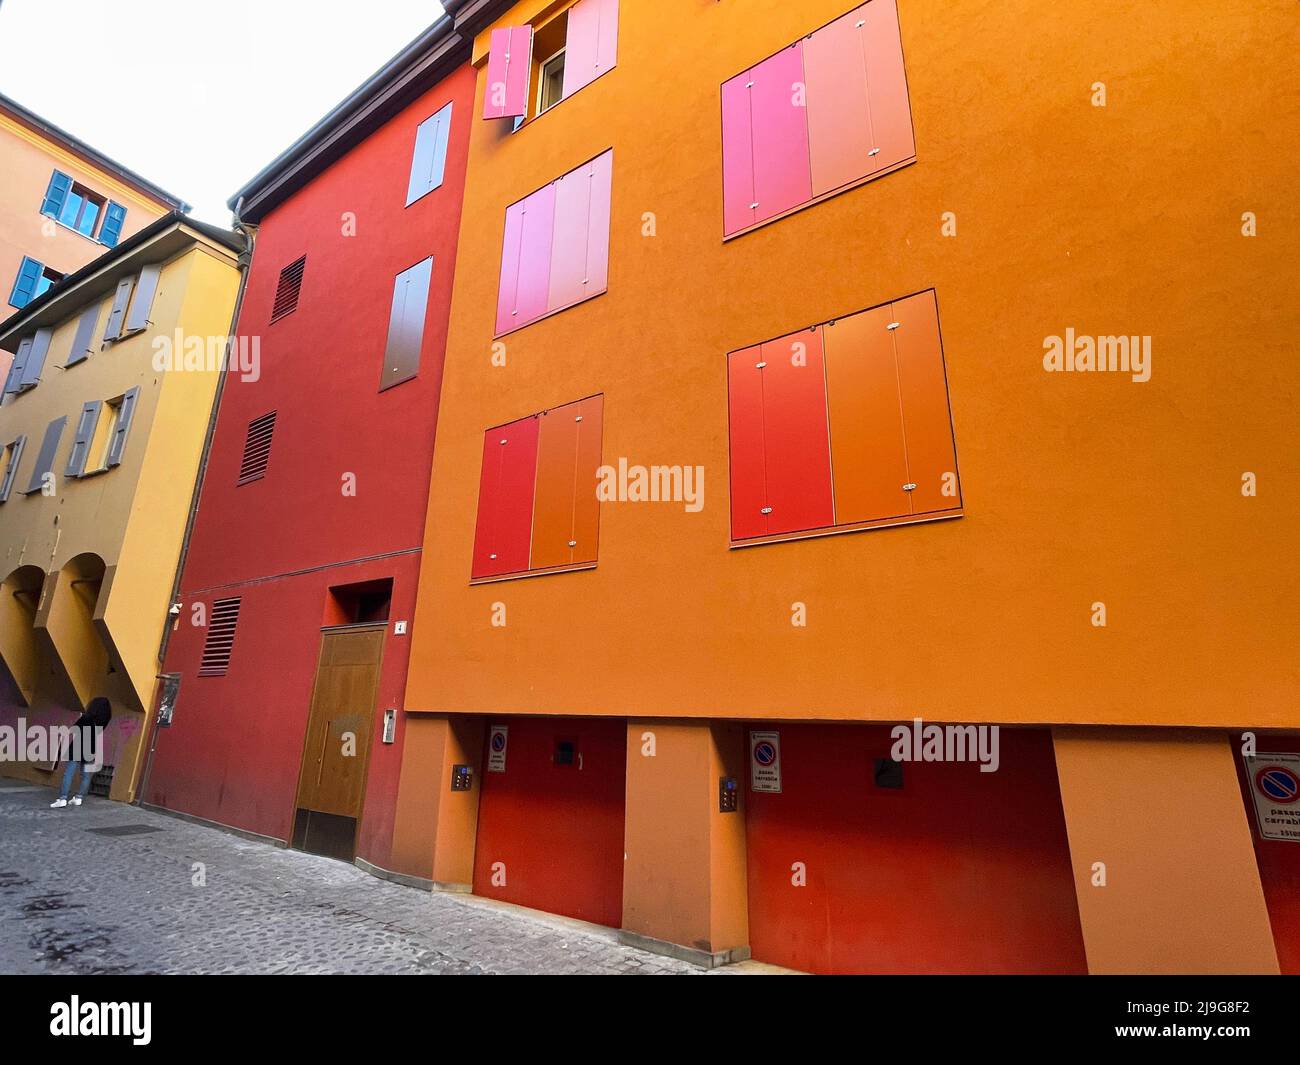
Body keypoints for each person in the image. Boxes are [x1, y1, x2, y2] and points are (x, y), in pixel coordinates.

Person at [49, 697, 112, 809]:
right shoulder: (104, 719)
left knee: (69, 773)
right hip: (91, 747)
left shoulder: (86, 718)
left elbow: (74, 729)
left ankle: (62, 798)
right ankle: (79, 798)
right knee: (85, 775)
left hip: (78, 745)